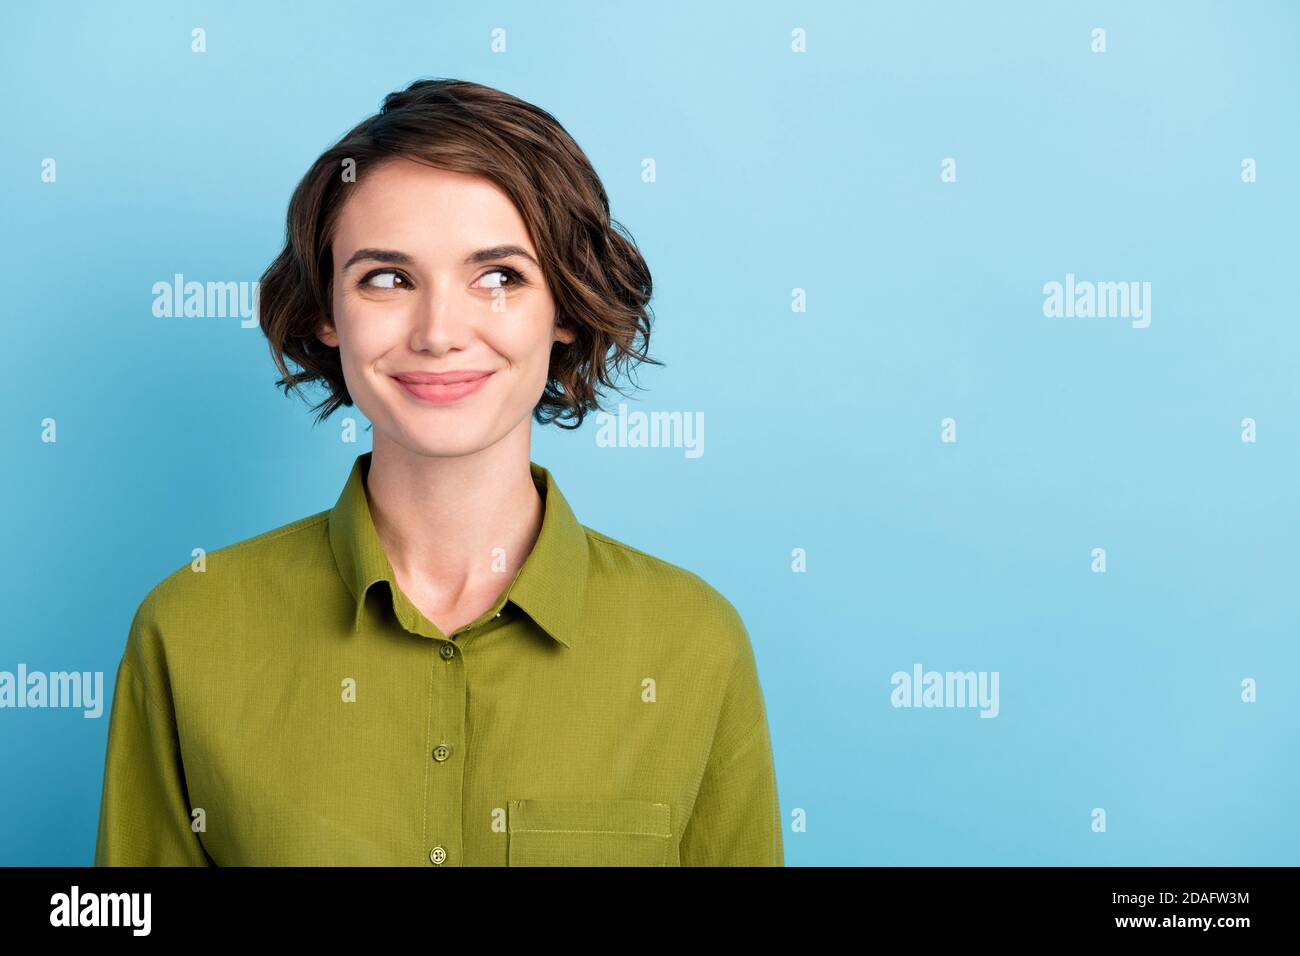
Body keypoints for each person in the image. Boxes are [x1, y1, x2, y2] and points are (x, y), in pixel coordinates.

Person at [94, 78, 782, 866]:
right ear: (327, 310)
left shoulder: (694, 644)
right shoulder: (189, 629)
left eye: (499, 277)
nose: (439, 332)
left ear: (563, 309)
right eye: (387, 278)